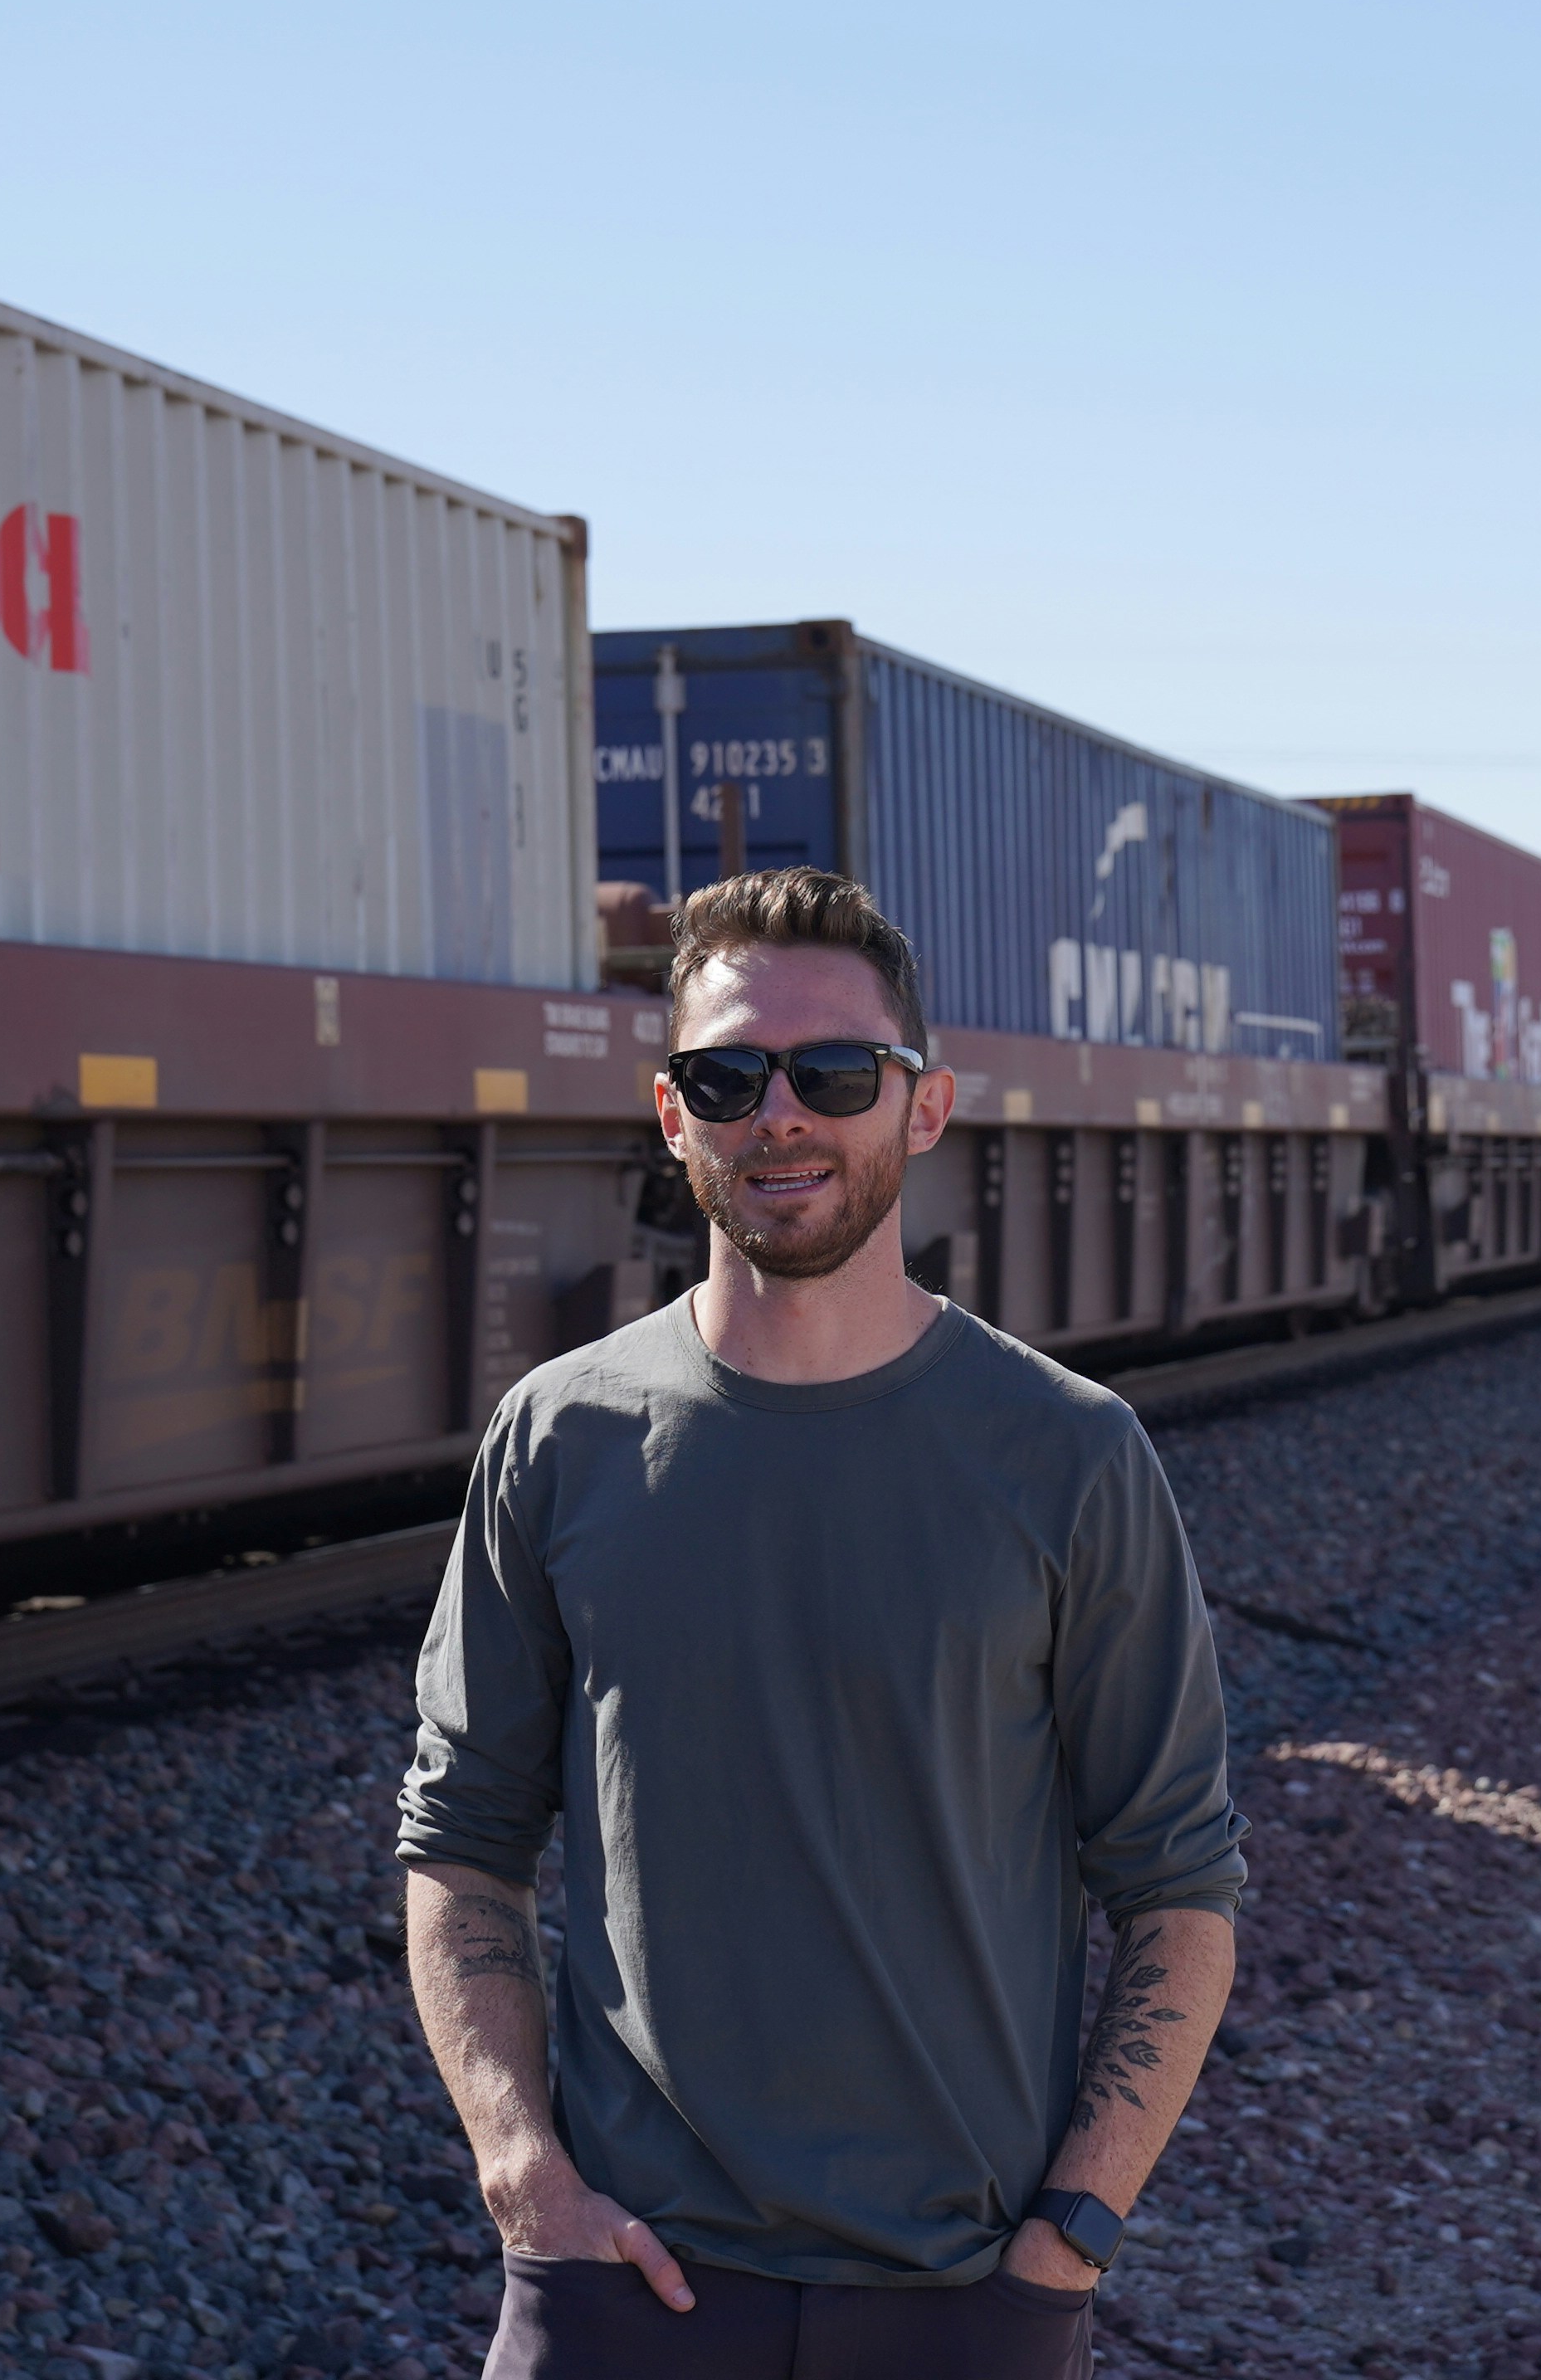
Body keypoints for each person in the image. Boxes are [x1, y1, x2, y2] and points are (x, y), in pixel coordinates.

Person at [395, 866, 1246, 2379]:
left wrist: (1071, 2238)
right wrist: (526, 2175)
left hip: (961, 2304)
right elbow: (462, 1843)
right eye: (728, 1076)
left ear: (923, 1108)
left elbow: (1178, 1885)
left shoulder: (1067, 1453)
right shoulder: (560, 1435)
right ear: (675, 1118)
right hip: (626, 2295)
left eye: (833, 1071)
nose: (778, 1114)